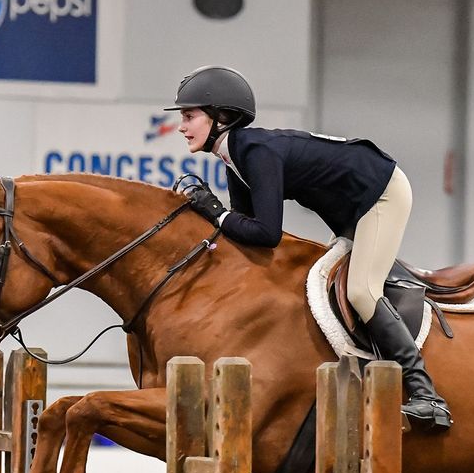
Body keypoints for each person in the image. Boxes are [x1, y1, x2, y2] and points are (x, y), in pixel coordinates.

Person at [166, 65, 453, 432]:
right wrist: (213, 219)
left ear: (221, 117)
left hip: (381, 195)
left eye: (189, 116)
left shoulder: (256, 151)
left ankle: (427, 397)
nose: (181, 126)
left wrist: (214, 212)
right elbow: (245, 232)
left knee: (362, 292)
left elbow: (267, 232)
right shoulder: (234, 157)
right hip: (351, 211)